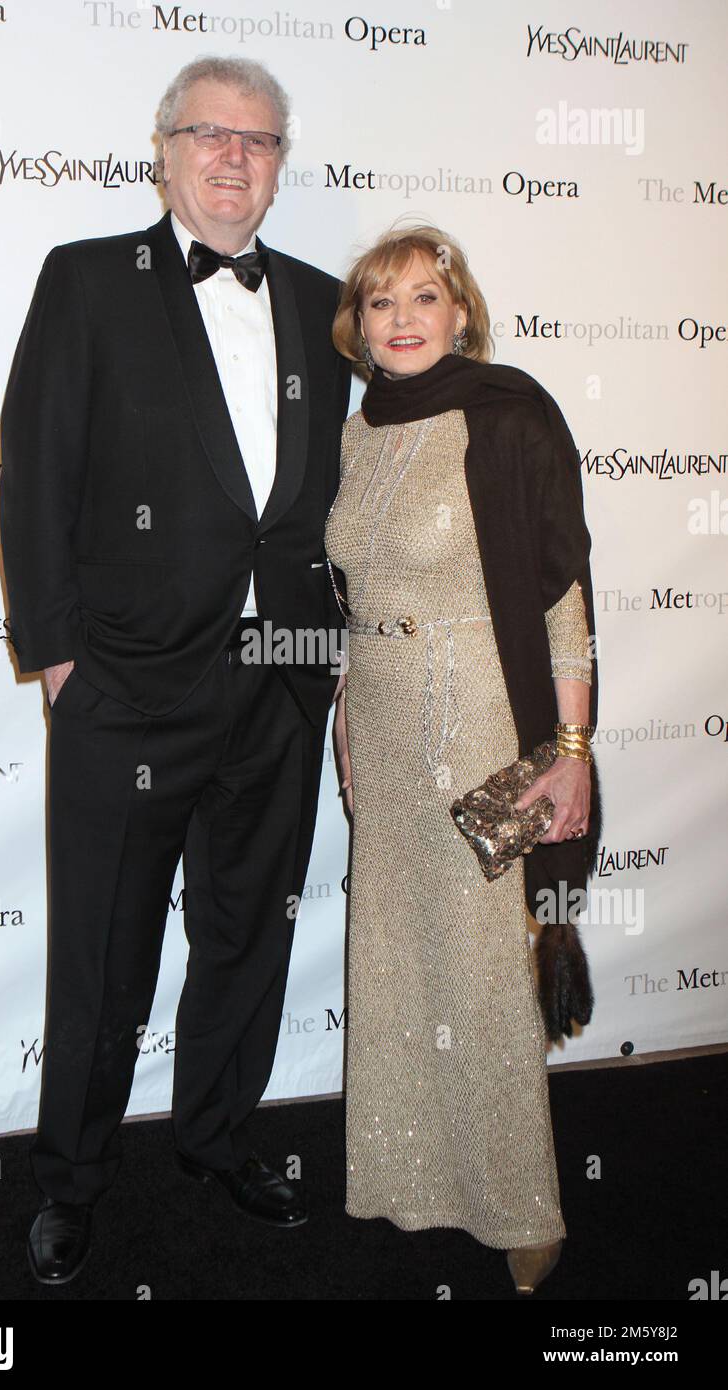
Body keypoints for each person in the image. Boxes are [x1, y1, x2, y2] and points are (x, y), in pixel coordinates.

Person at [0, 55, 351, 1285]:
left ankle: (215, 1137)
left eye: (256, 140)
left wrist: (328, 662)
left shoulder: (319, 302)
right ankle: (70, 1179)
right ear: (163, 150)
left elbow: (329, 507)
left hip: (278, 675)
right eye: (208, 133)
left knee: (247, 933)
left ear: (277, 163)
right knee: (102, 954)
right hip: (126, 688)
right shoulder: (92, 280)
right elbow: (34, 470)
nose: (231, 157)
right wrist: (55, 660)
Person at [325, 223, 600, 1295]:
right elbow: (352, 596)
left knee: (483, 974)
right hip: (381, 727)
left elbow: (557, 591)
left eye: (423, 299)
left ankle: (523, 1205)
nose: (402, 319)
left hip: (478, 723)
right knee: (394, 961)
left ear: (460, 314)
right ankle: (411, 1176)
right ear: (360, 324)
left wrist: (567, 748)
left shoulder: (507, 414)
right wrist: (346, 715)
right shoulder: (357, 431)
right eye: (382, 301)